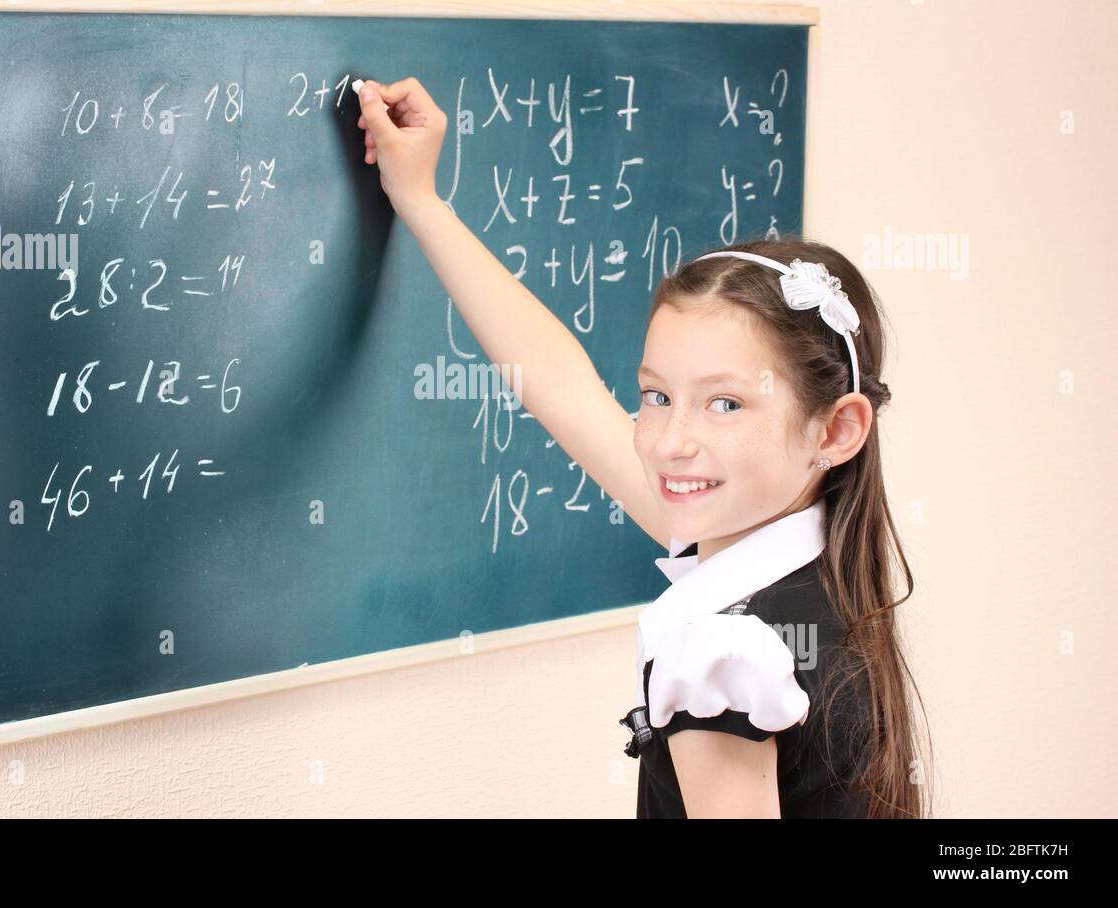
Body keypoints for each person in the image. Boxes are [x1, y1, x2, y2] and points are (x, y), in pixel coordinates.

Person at [355, 77, 930, 818]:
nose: (672, 441)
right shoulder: (806, 555)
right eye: (657, 396)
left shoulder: (722, 650)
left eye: (725, 403)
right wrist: (423, 201)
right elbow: (561, 383)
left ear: (836, 430)